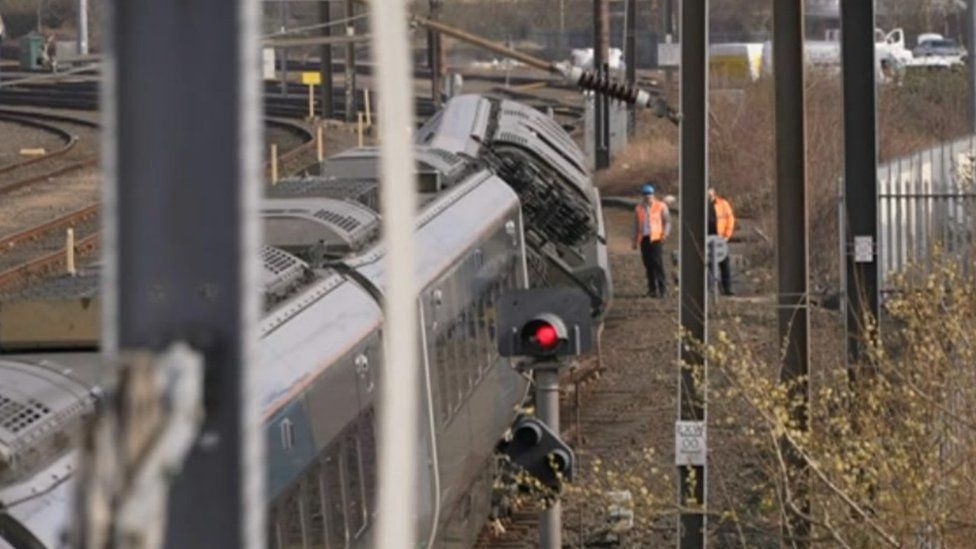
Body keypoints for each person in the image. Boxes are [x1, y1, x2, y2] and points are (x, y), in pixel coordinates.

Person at [632, 183, 671, 297]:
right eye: (645, 194)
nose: (647, 196)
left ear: (653, 195)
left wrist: (665, 234)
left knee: (657, 263)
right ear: (642, 195)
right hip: (644, 238)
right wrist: (634, 240)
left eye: (649, 194)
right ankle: (652, 289)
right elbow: (636, 225)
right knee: (648, 264)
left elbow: (667, 221)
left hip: (656, 238)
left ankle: (662, 290)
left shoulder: (661, 206)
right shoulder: (639, 208)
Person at [707, 186, 736, 295]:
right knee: (708, 264)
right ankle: (710, 289)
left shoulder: (723, 204)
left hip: (720, 239)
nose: (708, 193)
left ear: (713, 191)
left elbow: (730, 219)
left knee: (725, 264)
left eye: (709, 190)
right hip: (706, 239)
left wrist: (727, 235)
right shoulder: (699, 205)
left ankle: (727, 288)